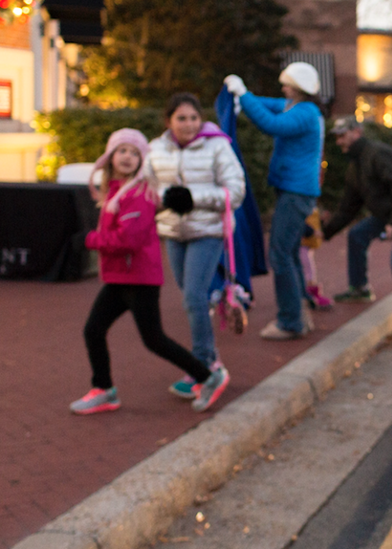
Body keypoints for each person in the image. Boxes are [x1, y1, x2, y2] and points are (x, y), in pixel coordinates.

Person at [71, 129, 230, 415]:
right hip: (120, 278)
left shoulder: (139, 195)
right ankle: (104, 390)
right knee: (93, 330)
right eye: (122, 151)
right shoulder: (117, 190)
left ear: (142, 160)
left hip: (139, 279)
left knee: (154, 340)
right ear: (110, 157)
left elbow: (126, 241)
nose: (128, 157)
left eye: (135, 153)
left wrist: (87, 240)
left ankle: (209, 377)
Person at [147, 93, 245, 398]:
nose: (188, 124)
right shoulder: (154, 149)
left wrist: (193, 197)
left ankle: (206, 364)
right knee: (191, 296)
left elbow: (235, 190)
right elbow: (146, 188)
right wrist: (168, 197)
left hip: (208, 231)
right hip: (174, 232)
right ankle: (216, 304)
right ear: (169, 121)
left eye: (193, 118)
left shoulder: (218, 145)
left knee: (192, 296)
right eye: (181, 118)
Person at [223, 63, 324, 340]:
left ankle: (291, 321)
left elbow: (272, 124)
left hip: (296, 192)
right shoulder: (296, 106)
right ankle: (299, 313)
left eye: (287, 83)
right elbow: (268, 105)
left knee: (280, 255)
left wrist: (243, 93)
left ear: (299, 87)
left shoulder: (304, 113)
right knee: (289, 254)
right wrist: (244, 99)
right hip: (295, 190)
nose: (283, 88)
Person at [321, 117, 392, 336]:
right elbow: (348, 207)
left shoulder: (378, 154)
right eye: (337, 137)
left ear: (357, 132)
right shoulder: (355, 166)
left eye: (343, 136)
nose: (339, 142)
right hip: (387, 215)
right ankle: (360, 288)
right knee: (356, 235)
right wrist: (325, 233)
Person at [301, 207, 333, 309]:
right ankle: (310, 295)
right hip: (301, 244)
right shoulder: (302, 199)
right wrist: (311, 231)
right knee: (307, 269)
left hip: (306, 244)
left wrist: (321, 220)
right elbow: (298, 220)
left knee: (308, 269)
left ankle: (308, 294)